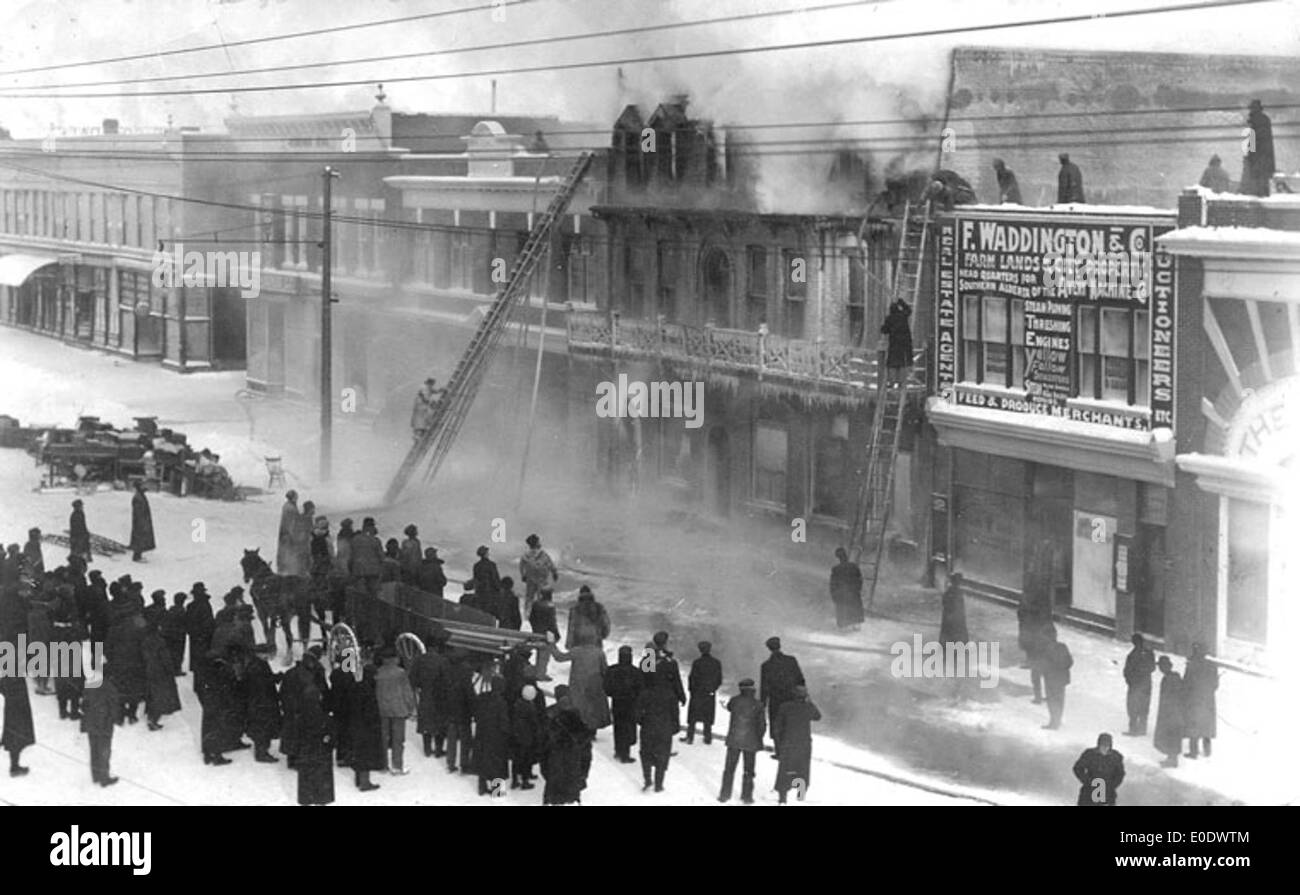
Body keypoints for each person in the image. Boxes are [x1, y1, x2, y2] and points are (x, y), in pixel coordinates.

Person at [718, 678, 765, 804]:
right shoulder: (759, 704)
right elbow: (762, 726)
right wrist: (759, 739)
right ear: (753, 689)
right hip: (751, 741)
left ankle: (724, 795)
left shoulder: (734, 701)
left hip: (734, 739)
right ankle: (747, 797)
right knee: (749, 771)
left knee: (729, 769)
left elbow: (729, 708)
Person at [541, 685, 591, 805]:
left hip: (555, 762)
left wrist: (545, 769)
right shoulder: (579, 717)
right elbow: (586, 750)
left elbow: (543, 746)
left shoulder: (549, 714)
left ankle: (498, 797)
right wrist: (583, 773)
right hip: (573, 763)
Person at [774, 685, 821, 804]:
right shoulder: (807, 707)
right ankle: (800, 794)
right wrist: (810, 702)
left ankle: (782, 797)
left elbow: (777, 727)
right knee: (802, 769)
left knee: (785, 769)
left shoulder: (785, 706)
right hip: (803, 744)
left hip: (788, 743)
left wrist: (779, 743)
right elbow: (818, 716)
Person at [760, 636, 804, 759]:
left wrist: (762, 704)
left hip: (776, 701)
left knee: (776, 725)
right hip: (791, 698)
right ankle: (791, 751)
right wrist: (801, 696)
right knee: (790, 725)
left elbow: (764, 687)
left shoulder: (766, 665)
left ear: (769, 648)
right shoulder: (791, 660)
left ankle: (779, 752)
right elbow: (800, 679)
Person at [636, 668, 680, 793]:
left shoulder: (645, 693)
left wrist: (643, 722)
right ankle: (659, 784)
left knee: (645, 753)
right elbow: (675, 714)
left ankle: (648, 780)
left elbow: (637, 713)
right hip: (664, 729)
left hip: (648, 727)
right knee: (662, 755)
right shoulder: (671, 694)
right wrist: (674, 728)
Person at [375, 647, 417, 775]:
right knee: (398, 740)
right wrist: (411, 708)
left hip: (382, 709)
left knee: (382, 738)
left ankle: (383, 765)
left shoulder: (378, 672)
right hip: (398, 709)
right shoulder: (400, 673)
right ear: (395, 659)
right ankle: (397, 766)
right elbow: (407, 692)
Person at [347, 651, 384, 792]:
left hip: (355, 725)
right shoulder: (369, 691)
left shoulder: (358, 686)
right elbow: (370, 713)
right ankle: (364, 782)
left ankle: (358, 779)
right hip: (366, 728)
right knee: (366, 755)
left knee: (359, 753)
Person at [410, 631, 449, 757]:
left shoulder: (419, 660)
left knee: (425, 721)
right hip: (440, 695)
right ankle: (438, 749)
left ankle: (427, 748)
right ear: (436, 647)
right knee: (440, 722)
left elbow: (412, 678)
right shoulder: (443, 661)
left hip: (425, 693)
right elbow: (447, 679)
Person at [296, 679, 336, 806]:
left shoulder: (299, 717)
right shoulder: (324, 717)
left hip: (305, 752)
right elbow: (333, 736)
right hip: (321, 753)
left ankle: (306, 799)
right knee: (321, 778)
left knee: (305, 777)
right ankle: (321, 799)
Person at [438, 650, 476, 774]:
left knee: (451, 738)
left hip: (449, 710)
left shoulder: (446, 672)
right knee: (465, 739)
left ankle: (451, 763)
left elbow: (441, 692)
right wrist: (474, 711)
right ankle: (464, 764)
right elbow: (469, 695)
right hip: (463, 712)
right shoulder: (465, 673)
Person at [244, 643, 283, 763]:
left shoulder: (257, 663)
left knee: (262, 728)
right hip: (261, 702)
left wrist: (276, 677)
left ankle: (262, 750)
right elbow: (263, 683)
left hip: (259, 702)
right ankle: (261, 753)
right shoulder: (257, 666)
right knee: (263, 728)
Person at [141, 619, 181, 731]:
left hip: (150, 670)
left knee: (152, 695)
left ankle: (150, 716)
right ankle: (153, 720)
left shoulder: (145, 641)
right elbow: (166, 658)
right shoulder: (160, 641)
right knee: (160, 696)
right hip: (161, 672)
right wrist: (171, 670)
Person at [474, 676, 511, 796]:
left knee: (483, 761)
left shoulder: (483, 698)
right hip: (497, 738)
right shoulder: (501, 703)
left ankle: (482, 786)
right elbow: (504, 723)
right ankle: (497, 791)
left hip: (482, 734)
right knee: (498, 765)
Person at [604, 645, 641, 763]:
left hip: (617, 702)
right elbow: (640, 688)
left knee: (618, 726)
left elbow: (606, 687)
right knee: (628, 728)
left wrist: (614, 694)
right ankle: (625, 753)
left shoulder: (612, 670)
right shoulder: (635, 672)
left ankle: (618, 750)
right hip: (630, 704)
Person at [1183, 642, 1219, 759]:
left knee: (1193, 726)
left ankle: (1194, 752)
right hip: (1207, 701)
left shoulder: (1191, 665)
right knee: (1206, 726)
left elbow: (1186, 683)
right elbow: (1215, 685)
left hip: (1194, 701)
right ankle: (1207, 751)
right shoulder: (1212, 665)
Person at [683, 641, 722, 745]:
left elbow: (692, 678)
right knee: (708, 716)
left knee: (693, 717)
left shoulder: (697, 662)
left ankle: (690, 737)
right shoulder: (716, 663)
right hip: (709, 693)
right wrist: (712, 689)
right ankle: (707, 737)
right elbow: (719, 679)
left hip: (697, 693)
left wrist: (692, 690)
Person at [1073, 733, 1125, 806]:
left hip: (1107, 793)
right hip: (1089, 792)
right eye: (1103, 745)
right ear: (1099, 745)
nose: (1105, 748)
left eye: (1107, 746)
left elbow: (1120, 773)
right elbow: (1078, 768)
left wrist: (1112, 785)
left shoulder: (1116, 757)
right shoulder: (1089, 754)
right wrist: (1088, 781)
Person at [1153, 655, 1185, 768]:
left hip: (1172, 712)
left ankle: (1173, 760)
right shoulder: (1171, 677)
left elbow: (1175, 695)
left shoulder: (1171, 678)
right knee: (1170, 736)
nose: (1160, 669)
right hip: (1171, 712)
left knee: (1172, 735)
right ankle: (1171, 758)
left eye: (1162, 666)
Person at [0, 673, 34, 776]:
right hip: (14, 685)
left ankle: (14, 762)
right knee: (17, 726)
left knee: (14, 723)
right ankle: (14, 767)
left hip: (11, 683)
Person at [1122, 634, 1156, 736]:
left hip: (1136, 685)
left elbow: (1127, 671)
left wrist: (1130, 680)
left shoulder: (1132, 655)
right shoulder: (1149, 653)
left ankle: (1134, 729)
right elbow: (1152, 667)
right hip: (1145, 685)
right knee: (1143, 707)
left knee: (1133, 707)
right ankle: (1142, 728)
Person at [510, 683, 542, 789]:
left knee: (517, 758)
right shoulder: (530, 708)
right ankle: (525, 780)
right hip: (527, 737)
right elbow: (534, 724)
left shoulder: (517, 704)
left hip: (517, 736)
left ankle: (514, 780)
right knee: (526, 759)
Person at [1241, 99, 1275, 197]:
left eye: (1251, 109)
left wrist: (1249, 155)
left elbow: (1253, 139)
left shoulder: (1255, 120)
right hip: (1266, 155)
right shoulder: (1265, 119)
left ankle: (1258, 193)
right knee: (1264, 177)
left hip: (1258, 156)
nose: (1250, 111)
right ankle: (1263, 193)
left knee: (1257, 176)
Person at [1040, 627, 1073, 730]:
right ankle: (1057, 720)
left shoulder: (1046, 648)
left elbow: (1044, 664)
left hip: (1051, 678)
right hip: (1061, 679)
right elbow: (1070, 661)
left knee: (1052, 700)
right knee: (1059, 700)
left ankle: (1054, 722)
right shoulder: (1062, 647)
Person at [519, 534, 559, 615]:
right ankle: (542, 615)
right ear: (536, 543)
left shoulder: (525, 555)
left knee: (529, 598)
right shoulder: (543, 554)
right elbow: (550, 564)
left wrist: (523, 576)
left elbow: (521, 567)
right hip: (542, 579)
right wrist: (555, 573)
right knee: (542, 597)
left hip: (530, 580)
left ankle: (527, 615)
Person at [184, 583, 215, 687]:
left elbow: (187, 624)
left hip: (195, 638)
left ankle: (198, 685)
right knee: (206, 662)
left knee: (197, 663)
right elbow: (209, 623)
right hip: (205, 638)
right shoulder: (206, 605)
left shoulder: (190, 606)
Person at [565, 585, 611, 650]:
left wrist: (569, 645)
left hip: (578, 644)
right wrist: (603, 635)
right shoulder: (599, 607)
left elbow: (571, 628)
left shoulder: (574, 609)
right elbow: (606, 624)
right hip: (595, 643)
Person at [349, 518, 384, 600]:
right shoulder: (375, 540)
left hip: (359, 573)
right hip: (373, 573)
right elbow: (381, 557)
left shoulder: (355, 539)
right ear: (371, 526)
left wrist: (351, 571)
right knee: (373, 598)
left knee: (361, 598)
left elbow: (351, 558)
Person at [829, 547, 864, 630]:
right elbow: (860, 580)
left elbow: (833, 584)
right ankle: (855, 626)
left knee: (842, 613)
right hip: (853, 593)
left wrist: (834, 595)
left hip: (842, 594)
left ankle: (844, 627)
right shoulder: (854, 566)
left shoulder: (836, 569)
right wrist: (858, 589)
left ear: (838, 558)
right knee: (855, 613)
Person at [880, 300, 913, 387]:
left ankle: (892, 382)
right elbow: (909, 310)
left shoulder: (890, 318)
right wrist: (901, 302)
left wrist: (883, 325)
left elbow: (884, 330)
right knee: (902, 364)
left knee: (892, 364)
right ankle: (901, 382)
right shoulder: (903, 315)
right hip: (904, 344)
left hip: (894, 344)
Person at [529, 588, 559, 681]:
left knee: (540, 651)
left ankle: (539, 671)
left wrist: (535, 628)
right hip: (546, 635)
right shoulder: (550, 607)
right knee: (545, 652)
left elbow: (531, 618)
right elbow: (552, 623)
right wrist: (556, 634)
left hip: (536, 633)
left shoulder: (536, 604)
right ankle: (540, 673)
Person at [128, 481, 155, 563]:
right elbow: (138, 512)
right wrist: (142, 523)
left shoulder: (140, 496)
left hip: (142, 521)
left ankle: (138, 555)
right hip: (140, 522)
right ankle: (136, 557)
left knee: (140, 539)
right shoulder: (138, 497)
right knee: (139, 539)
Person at [411, 377, 443, 442]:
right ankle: (417, 435)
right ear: (429, 383)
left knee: (425, 419)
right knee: (420, 421)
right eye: (432, 384)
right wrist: (432, 403)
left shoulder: (428, 387)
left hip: (423, 406)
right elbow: (425, 397)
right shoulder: (424, 387)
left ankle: (420, 434)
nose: (432, 385)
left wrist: (440, 390)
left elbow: (434, 391)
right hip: (420, 406)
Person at [162, 593, 188, 676]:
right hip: (179, 635)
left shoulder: (171, 610)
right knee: (178, 653)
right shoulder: (181, 610)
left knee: (172, 652)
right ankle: (177, 669)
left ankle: (172, 669)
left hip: (170, 634)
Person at [276, 491, 301, 577]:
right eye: (296, 496)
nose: (297, 498)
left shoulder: (287, 506)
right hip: (289, 534)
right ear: (293, 497)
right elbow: (292, 523)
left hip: (285, 533)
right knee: (288, 553)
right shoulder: (290, 508)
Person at [472, 545, 502, 610]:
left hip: (480, 592)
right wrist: (500, 590)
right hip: (490, 593)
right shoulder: (491, 565)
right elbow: (495, 579)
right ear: (486, 554)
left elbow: (475, 579)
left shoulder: (476, 566)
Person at [69, 499, 92, 565]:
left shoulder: (80, 513)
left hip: (80, 537)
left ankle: (80, 563)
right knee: (79, 553)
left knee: (80, 552)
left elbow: (83, 525)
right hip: (78, 538)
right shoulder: (76, 515)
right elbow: (77, 528)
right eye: (81, 506)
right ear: (77, 507)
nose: (82, 507)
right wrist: (84, 535)